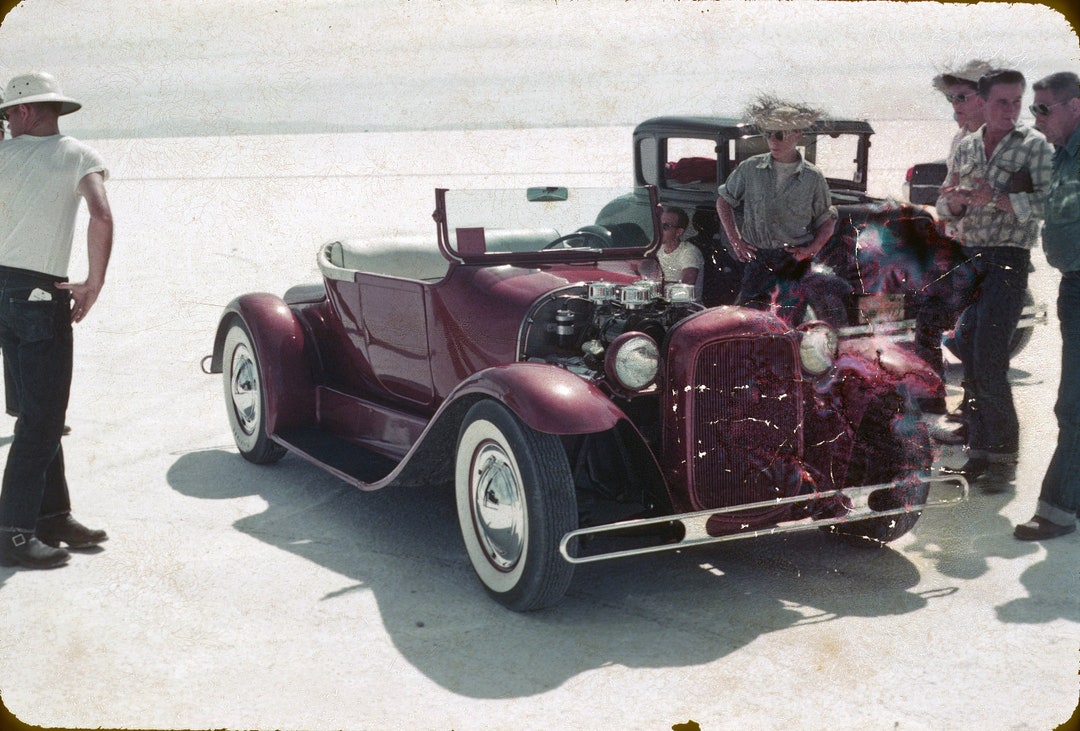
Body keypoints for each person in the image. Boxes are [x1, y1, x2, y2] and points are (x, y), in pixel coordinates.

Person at [0, 72, 113, 568]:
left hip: (2, 291)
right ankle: (13, 534)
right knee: (43, 420)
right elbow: (101, 213)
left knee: (37, 414)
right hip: (39, 294)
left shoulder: (2, 156)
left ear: (26, 111)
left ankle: (53, 516)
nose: (5, 121)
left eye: (7, 112)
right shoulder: (79, 156)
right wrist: (94, 281)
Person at [936, 69, 1053, 484]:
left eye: (1017, 101)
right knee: (967, 348)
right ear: (984, 102)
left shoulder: (1034, 145)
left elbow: (1050, 201)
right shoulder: (967, 146)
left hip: (1007, 258)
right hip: (969, 257)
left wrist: (998, 199)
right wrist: (953, 204)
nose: (1011, 110)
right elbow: (946, 197)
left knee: (989, 357)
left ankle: (1001, 460)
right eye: (1002, 101)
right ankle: (980, 452)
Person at [1013, 71, 1080, 540]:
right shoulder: (1060, 158)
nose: (1036, 119)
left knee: (1072, 404)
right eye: (1032, 109)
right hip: (1072, 284)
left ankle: (1057, 509)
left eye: (1044, 109)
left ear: (1074, 106)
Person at [716, 96, 837, 325]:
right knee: (745, 322)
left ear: (798, 135)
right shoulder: (750, 168)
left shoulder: (813, 177)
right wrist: (736, 240)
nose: (773, 140)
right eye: (768, 134)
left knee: (789, 324)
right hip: (757, 258)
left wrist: (811, 249)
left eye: (780, 134)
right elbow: (724, 201)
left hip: (792, 262)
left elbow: (827, 220)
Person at [921, 60, 992, 420]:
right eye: (951, 99)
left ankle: (975, 418)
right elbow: (945, 197)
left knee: (976, 340)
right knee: (929, 320)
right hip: (960, 249)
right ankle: (934, 405)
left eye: (961, 97)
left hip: (991, 254)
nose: (955, 106)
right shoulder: (960, 138)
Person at [655, 206, 704, 299]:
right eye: (657, 224)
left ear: (679, 232)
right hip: (660, 306)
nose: (658, 229)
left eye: (665, 226)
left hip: (686, 309)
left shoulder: (689, 252)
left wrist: (655, 287)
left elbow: (685, 287)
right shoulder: (656, 249)